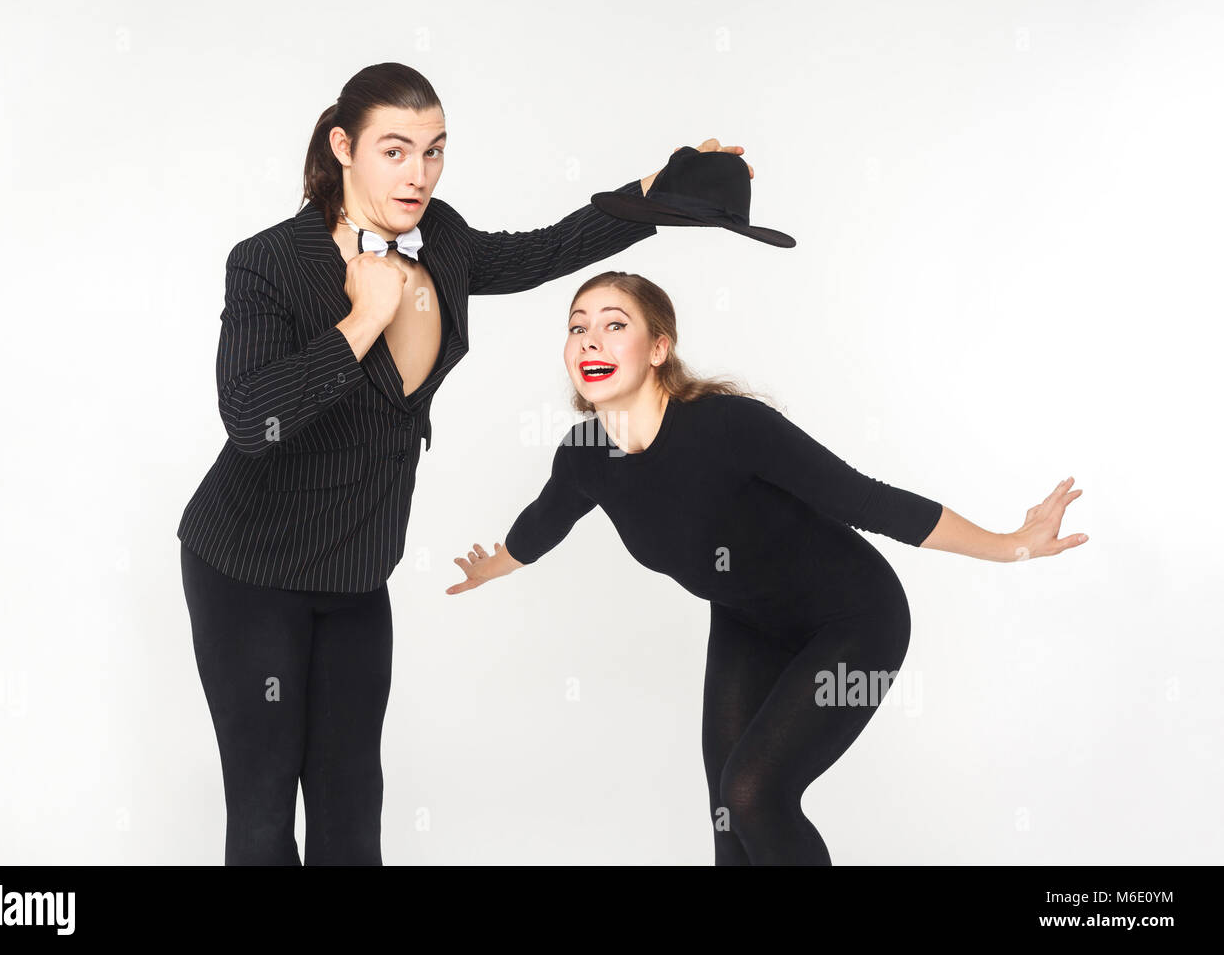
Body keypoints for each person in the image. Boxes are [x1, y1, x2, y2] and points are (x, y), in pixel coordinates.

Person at [176, 60, 754, 865]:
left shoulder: (440, 236)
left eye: (436, 150)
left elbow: (541, 252)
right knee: (265, 804)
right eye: (396, 150)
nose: (419, 174)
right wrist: (361, 322)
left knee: (351, 802)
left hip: (355, 567)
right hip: (249, 568)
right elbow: (250, 421)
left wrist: (656, 192)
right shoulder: (269, 261)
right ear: (343, 146)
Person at [446, 271, 1088, 865]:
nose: (591, 337)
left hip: (853, 618)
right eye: (577, 325)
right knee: (729, 816)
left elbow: (865, 499)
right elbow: (545, 521)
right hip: (749, 621)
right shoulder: (585, 453)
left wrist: (1012, 543)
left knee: (754, 793)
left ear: (658, 347)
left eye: (615, 323)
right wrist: (495, 565)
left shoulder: (728, 426)